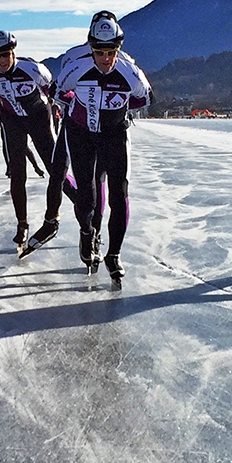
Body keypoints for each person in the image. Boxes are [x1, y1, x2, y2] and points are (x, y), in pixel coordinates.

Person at [54, 17, 150, 283]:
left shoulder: (131, 72)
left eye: (111, 53)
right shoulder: (76, 68)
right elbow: (60, 94)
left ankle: (114, 254)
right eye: (100, 52)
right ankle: (87, 233)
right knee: (87, 198)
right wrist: (84, 106)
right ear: (91, 48)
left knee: (120, 193)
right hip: (81, 133)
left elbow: (143, 99)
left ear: (118, 50)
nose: (106, 59)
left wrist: (113, 112)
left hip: (114, 134)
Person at [0, 30, 67, 256]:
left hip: (39, 118)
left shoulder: (34, 69)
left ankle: (82, 207)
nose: (1, 60)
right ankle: (22, 224)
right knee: (17, 173)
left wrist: (56, 112)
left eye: (5, 55)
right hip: (13, 122)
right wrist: (1, 108)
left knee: (54, 169)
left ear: (13, 52)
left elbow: (53, 91)